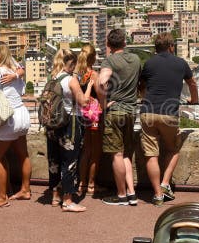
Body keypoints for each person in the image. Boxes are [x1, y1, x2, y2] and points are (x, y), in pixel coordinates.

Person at [139, 32, 199, 206]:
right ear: (171, 47)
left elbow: (142, 85)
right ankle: (165, 183)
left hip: (148, 112)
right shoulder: (181, 63)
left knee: (151, 155)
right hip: (169, 113)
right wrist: (194, 100)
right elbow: (192, 83)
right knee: (173, 149)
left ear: (156, 48)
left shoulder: (149, 63)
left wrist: (144, 97)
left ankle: (157, 195)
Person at [0, 42, 32, 210]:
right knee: (23, 155)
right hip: (22, 114)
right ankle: (25, 189)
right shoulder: (14, 68)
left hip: (7, 117)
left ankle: (2, 196)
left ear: (0, 53)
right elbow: (22, 83)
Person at [96, 29, 142, 206]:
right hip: (131, 111)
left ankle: (121, 195)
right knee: (126, 155)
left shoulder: (110, 61)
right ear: (124, 43)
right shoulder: (136, 59)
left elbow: (101, 82)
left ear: (108, 45)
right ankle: (131, 193)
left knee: (116, 154)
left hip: (115, 111)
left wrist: (103, 103)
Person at [46, 51, 89, 212]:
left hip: (52, 125)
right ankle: (68, 200)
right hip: (69, 123)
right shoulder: (71, 80)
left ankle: (55, 196)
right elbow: (83, 102)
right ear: (72, 64)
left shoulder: (53, 79)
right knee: (69, 161)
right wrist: (89, 86)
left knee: (54, 160)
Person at [76, 44, 101, 197]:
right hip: (94, 116)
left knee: (85, 150)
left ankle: (81, 182)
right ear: (93, 58)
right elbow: (100, 94)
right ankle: (91, 184)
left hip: (81, 115)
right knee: (96, 151)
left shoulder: (77, 74)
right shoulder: (93, 75)